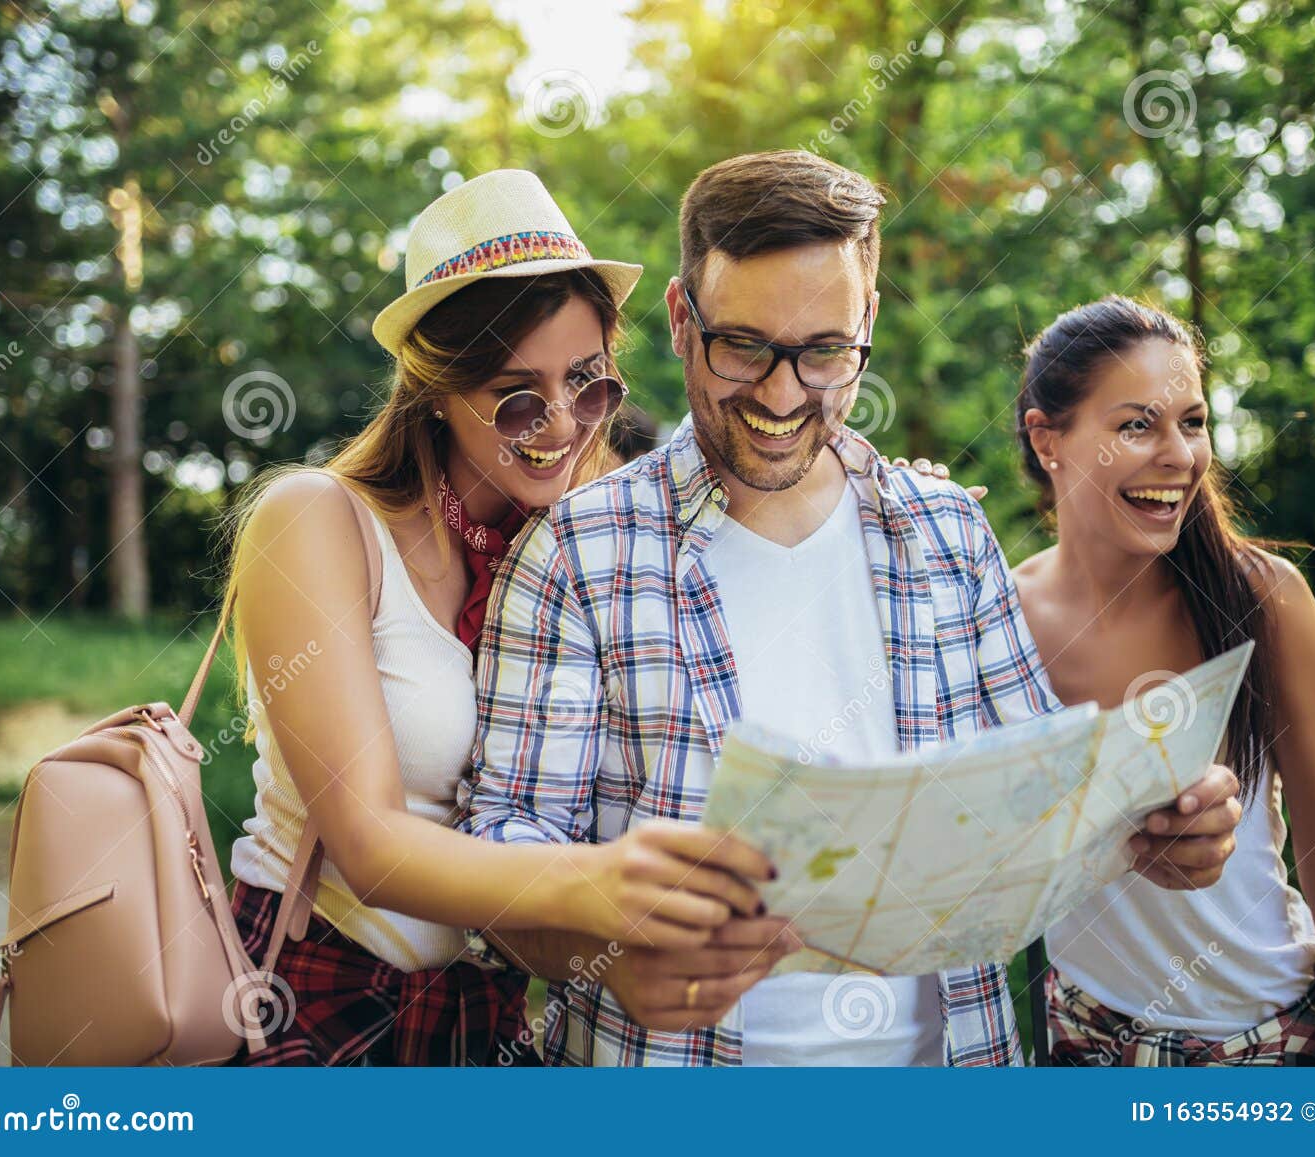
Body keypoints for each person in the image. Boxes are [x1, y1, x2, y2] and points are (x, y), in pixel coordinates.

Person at [461, 151, 1244, 1067]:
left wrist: (1157, 827)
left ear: (866, 322)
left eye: (825, 351)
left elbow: (1045, 796)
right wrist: (607, 952)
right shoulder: (576, 555)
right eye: (743, 346)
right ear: (681, 320)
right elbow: (505, 859)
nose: (784, 395)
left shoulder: (948, 533)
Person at [220, 170, 773, 1066]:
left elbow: (741, 538)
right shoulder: (319, 521)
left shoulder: (576, 549)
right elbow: (370, 847)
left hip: (486, 1017)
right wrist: (602, 884)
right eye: (518, 394)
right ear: (437, 388)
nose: (563, 423)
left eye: (589, 385)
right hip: (309, 997)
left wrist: (871, 504)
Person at [1010, 295, 1315, 1065]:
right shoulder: (998, 619)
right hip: (1088, 1048)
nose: (1180, 455)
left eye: (1192, 422)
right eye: (1136, 425)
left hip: (1275, 1046)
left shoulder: (1265, 599)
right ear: (1047, 438)